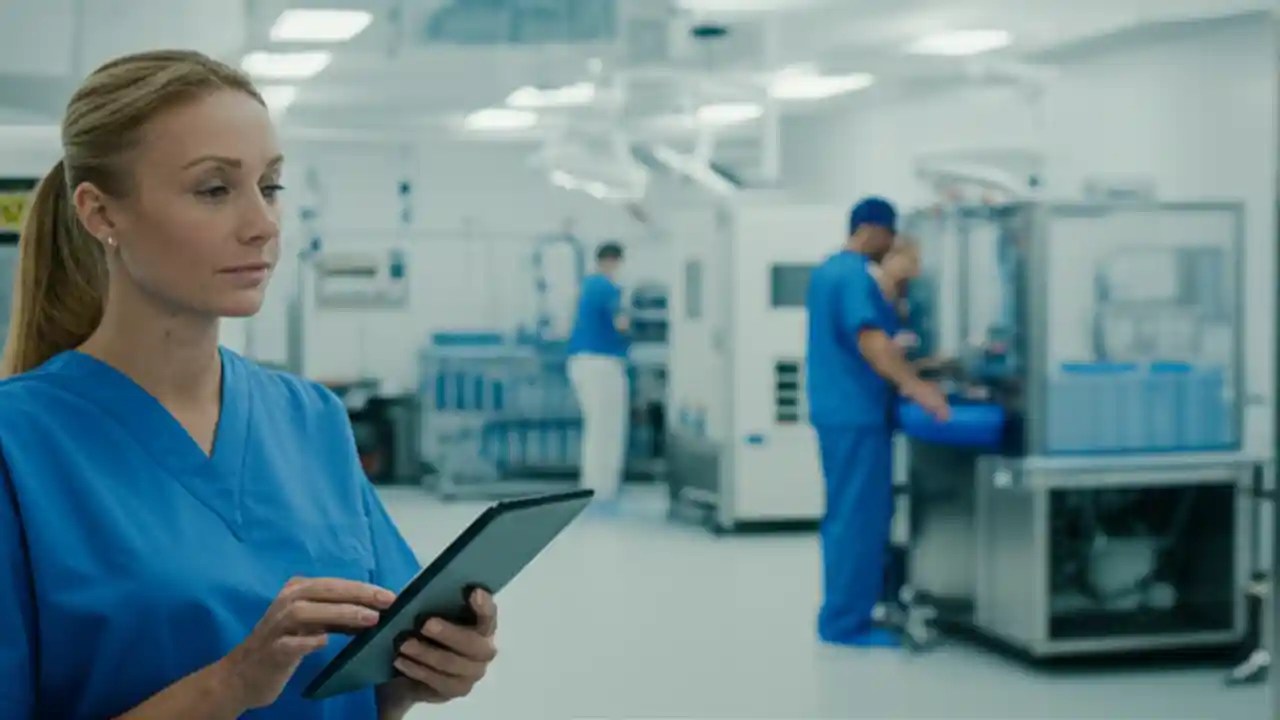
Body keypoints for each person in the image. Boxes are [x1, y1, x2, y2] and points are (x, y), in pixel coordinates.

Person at [0, 50, 498, 719]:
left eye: (270, 186)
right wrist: (230, 685)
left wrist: (414, 677)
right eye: (214, 190)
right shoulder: (20, 447)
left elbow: (352, 689)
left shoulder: (311, 419)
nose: (262, 224)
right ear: (101, 213)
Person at [805, 197, 950, 648]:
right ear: (871, 230)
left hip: (841, 410)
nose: (890, 247)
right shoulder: (853, 276)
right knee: (858, 517)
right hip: (855, 413)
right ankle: (845, 624)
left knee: (852, 514)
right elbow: (870, 340)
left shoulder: (829, 271)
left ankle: (851, 613)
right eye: (889, 237)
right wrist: (917, 387)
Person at [567, 241, 631, 507]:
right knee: (608, 428)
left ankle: (593, 485)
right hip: (602, 363)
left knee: (595, 426)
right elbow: (621, 324)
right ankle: (602, 488)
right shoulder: (608, 287)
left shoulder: (587, 285)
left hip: (581, 361)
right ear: (613, 261)